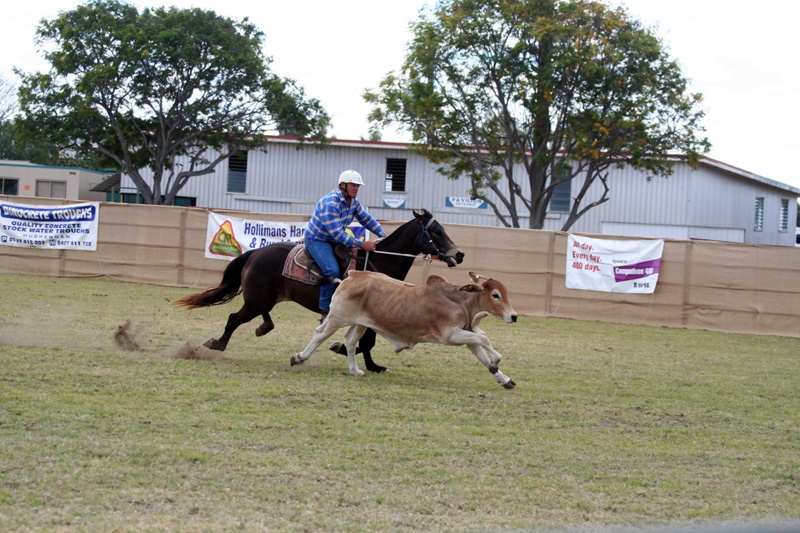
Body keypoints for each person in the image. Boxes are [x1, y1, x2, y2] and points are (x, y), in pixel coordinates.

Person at [304, 170, 387, 316]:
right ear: (343, 185)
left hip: (333, 240)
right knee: (332, 270)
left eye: (358, 186)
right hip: (317, 240)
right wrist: (361, 244)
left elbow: (366, 219)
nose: (356, 188)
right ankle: (324, 309)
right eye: (353, 185)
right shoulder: (330, 203)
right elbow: (336, 233)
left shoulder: (353, 203)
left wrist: (384, 236)